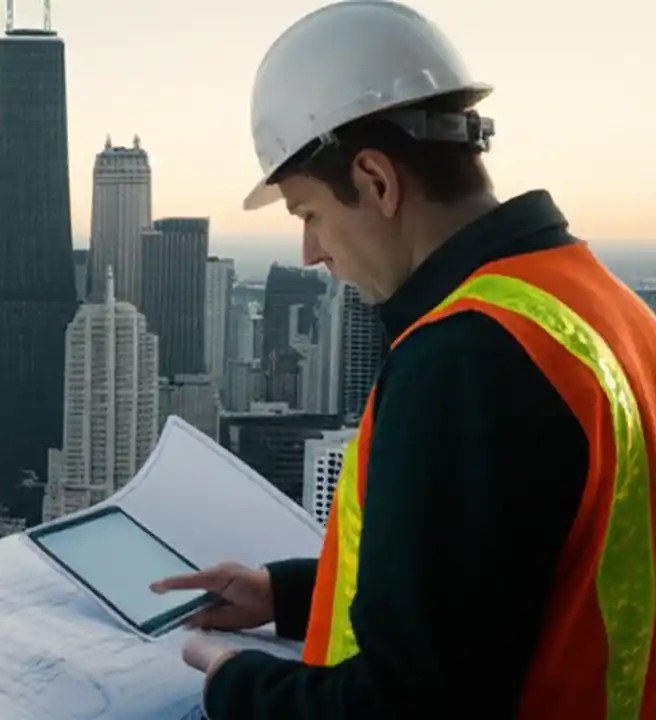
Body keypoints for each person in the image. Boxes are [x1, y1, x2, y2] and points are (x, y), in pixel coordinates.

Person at [150, 2, 656, 718]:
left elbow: (406, 706)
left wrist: (234, 682)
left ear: (377, 181)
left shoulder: (465, 356)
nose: (312, 253)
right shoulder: (593, 303)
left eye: (308, 215)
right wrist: (290, 593)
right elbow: (512, 566)